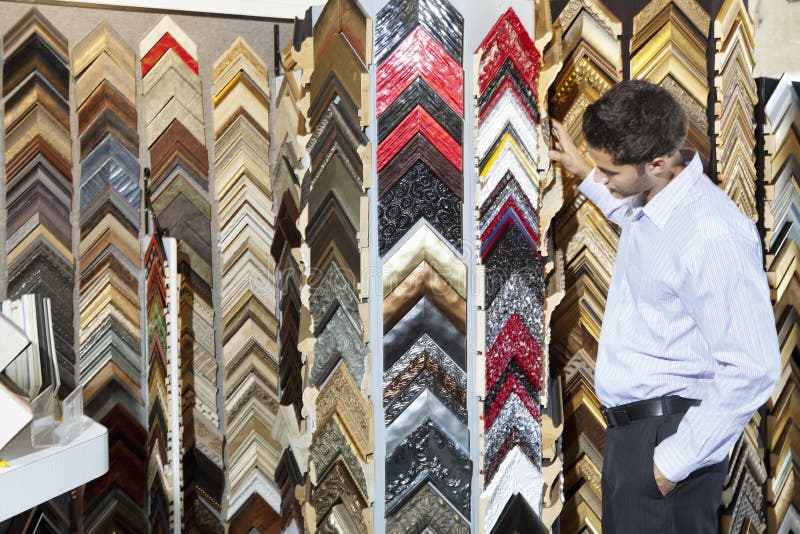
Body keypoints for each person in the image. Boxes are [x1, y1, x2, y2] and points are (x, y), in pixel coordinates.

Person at [548, 79, 780, 533]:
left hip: (668, 441)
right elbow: (644, 227)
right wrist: (584, 171)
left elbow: (755, 366)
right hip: (637, 437)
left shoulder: (712, 234)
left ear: (655, 163)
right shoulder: (655, 201)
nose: (603, 178)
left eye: (609, 172)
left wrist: (669, 464)